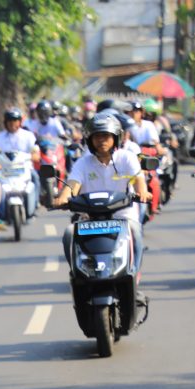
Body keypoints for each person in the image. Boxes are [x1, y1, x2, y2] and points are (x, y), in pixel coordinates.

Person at [53, 113, 151, 277]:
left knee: (135, 230)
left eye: (106, 136)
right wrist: (63, 198)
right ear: (89, 140)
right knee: (69, 233)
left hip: (122, 215)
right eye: (97, 136)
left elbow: (139, 178)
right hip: (90, 218)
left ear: (116, 137)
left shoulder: (127, 157)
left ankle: (133, 271)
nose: (101, 140)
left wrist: (143, 192)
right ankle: (77, 273)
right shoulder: (83, 162)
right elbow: (72, 185)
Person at [0, 108, 40, 223]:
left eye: (15, 121)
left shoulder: (28, 136)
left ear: (20, 122)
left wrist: (33, 156)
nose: (12, 124)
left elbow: (36, 153)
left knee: (35, 177)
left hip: (24, 168)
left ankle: (34, 205)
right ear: (5, 123)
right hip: (5, 170)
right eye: (10, 121)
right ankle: (0, 214)